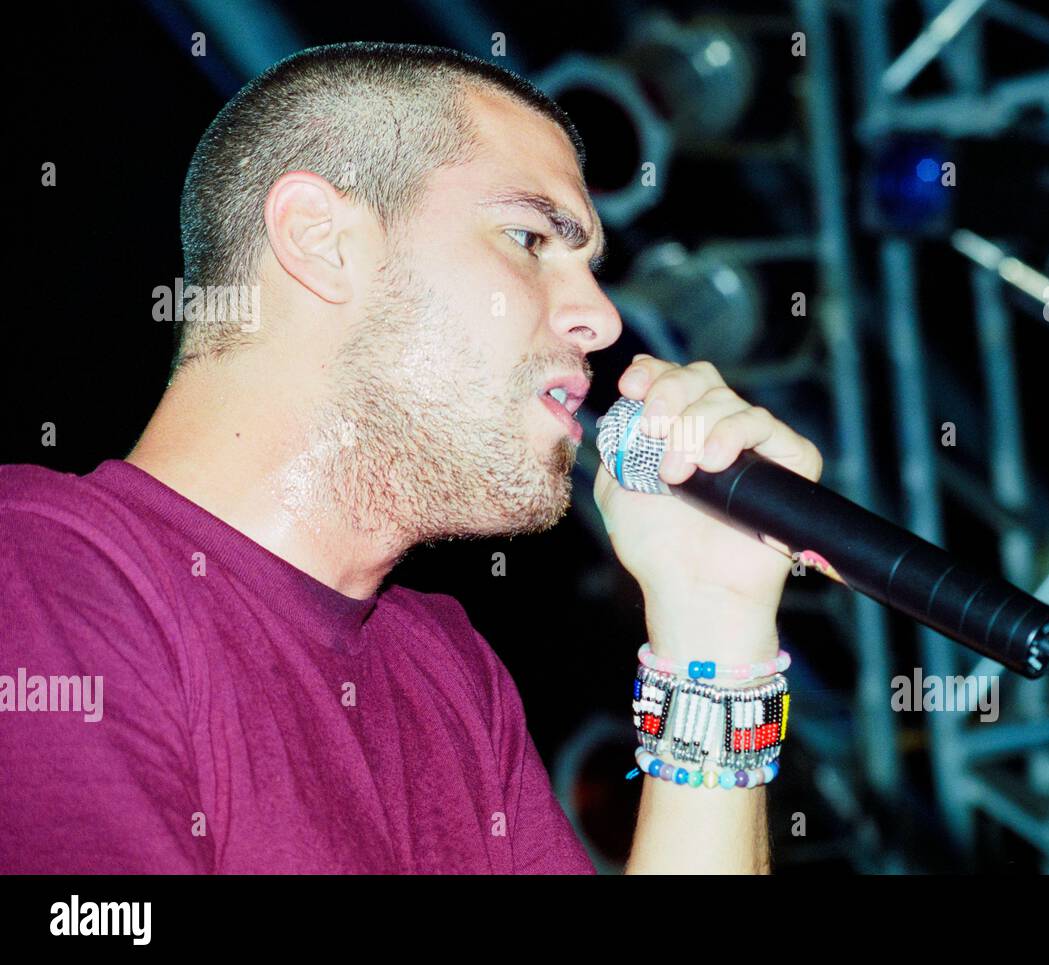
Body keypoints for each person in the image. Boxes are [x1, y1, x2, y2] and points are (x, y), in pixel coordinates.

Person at [0, 42, 821, 874]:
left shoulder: (449, 677)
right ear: (321, 241)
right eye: (529, 238)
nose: (601, 320)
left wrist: (712, 631)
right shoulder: (41, 570)